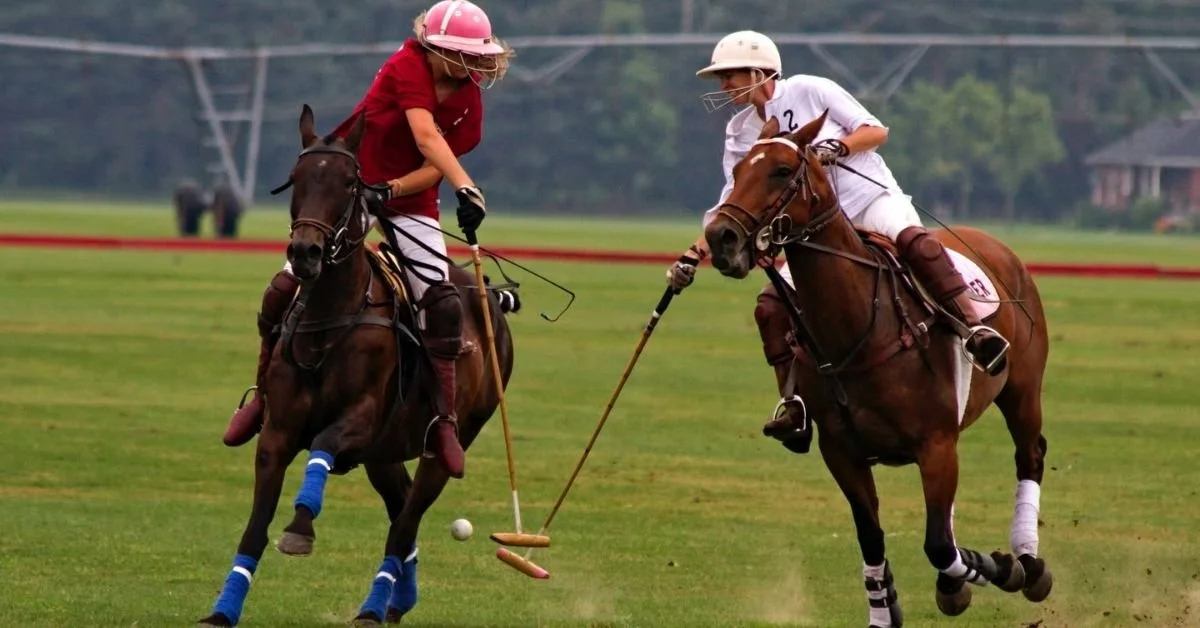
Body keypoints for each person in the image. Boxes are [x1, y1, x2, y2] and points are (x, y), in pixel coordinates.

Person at [666, 30, 1009, 453]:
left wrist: (837, 147)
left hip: (868, 201)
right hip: (813, 229)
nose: (723, 86)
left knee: (916, 244)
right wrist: (692, 253)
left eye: (729, 76)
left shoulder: (812, 90)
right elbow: (733, 203)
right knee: (771, 306)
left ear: (759, 71)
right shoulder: (740, 132)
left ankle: (974, 329)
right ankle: (794, 403)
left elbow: (874, 131)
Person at [221, 0, 513, 480]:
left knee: (440, 303)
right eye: (456, 53)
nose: (467, 64)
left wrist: (400, 189)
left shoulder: (469, 100)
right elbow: (424, 135)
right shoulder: (407, 65)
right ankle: (263, 399)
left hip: (407, 200)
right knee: (284, 289)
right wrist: (466, 186)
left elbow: (431, 165)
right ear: (433, 47)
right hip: (348, 189)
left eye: (472, 55)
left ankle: (442, 419)